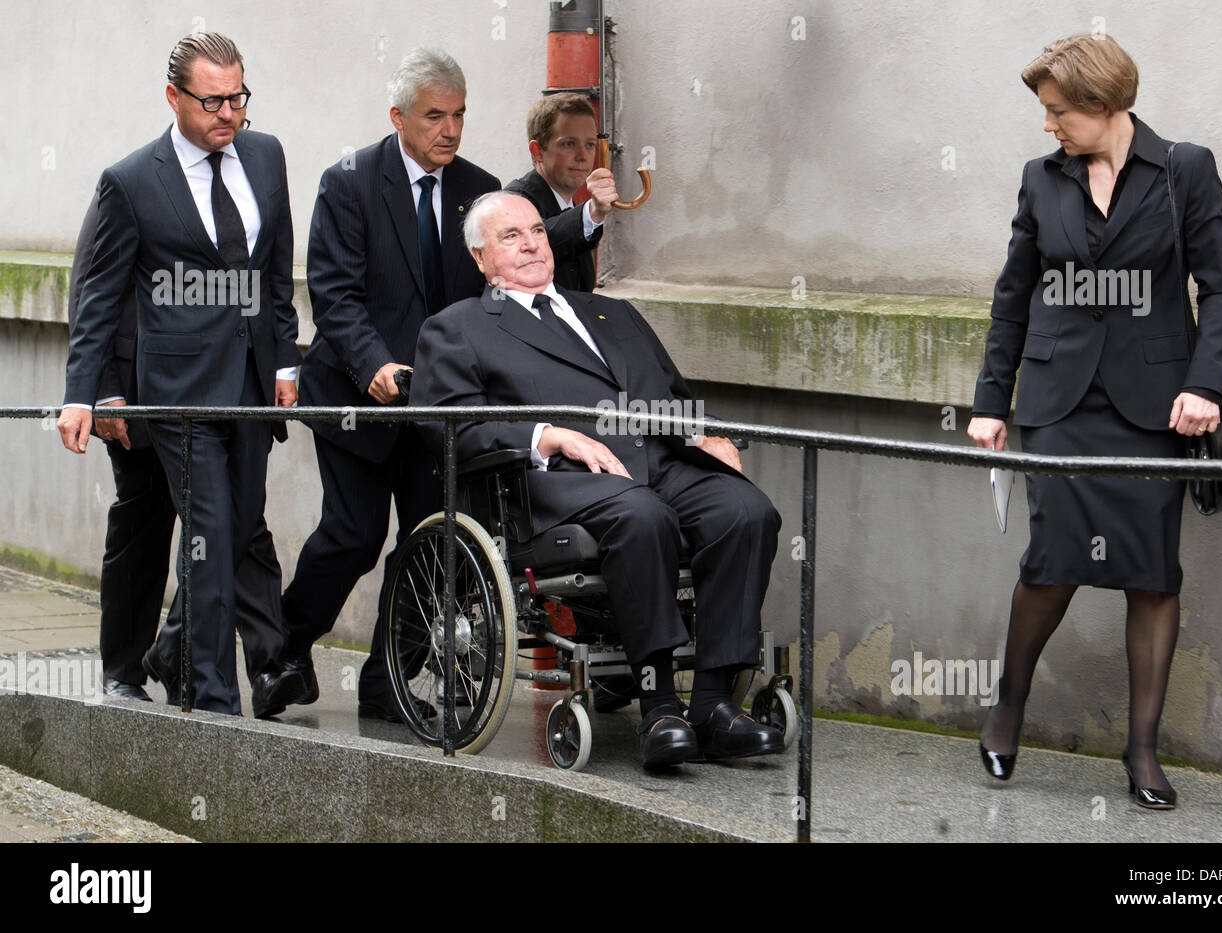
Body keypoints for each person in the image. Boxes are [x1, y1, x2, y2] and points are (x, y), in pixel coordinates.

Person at [410, 191, 785, 768]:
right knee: (641, 516)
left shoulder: (612, 313)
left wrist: (709, 433)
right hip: (557, 486)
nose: (532, 242)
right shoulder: (457, 328)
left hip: (659, 464)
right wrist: (546, 435)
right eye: (510, 236)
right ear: (482, 260)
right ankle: (660, 707)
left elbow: (674, 397)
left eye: (536, 229)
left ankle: (711, 706)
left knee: (745, 511)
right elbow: (450, 430)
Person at [967, 34, 1222, 809]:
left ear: (1102, 105)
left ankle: (1144, 750)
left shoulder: (1184, 169)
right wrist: (992, 401)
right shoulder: (1041, 178)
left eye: (1058, 113)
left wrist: (1204, 385)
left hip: (1154, 408)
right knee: (1051, 559)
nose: (1048, 126)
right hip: (1058, 404)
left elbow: (1221, 290)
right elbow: (1012, 294)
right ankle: (1008, 708)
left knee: (1153, 574)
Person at [58, 32, 304, 717]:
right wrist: (87, 392)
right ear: (174, 97)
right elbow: (98, 295)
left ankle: (172, 651)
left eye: (238, 98)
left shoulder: (265, 154)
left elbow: (274, 271)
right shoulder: (132, 180)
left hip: (252, 383)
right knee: (203, 527)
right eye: (213, 100)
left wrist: (286, 358)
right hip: (177, 392)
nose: (229, 113)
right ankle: (209, 697)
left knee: (235, 527)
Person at [279, 47, 500, 721]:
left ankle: (388, 681)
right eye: (436, 115)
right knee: (354, 532)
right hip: (356, 399)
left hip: (438, 406)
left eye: (460, 114)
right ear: (398, 116)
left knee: (434, 540)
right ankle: (283, 649)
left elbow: (507, 273)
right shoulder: (348, 182)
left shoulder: (480, 189)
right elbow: (335, 296)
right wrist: (373, 364)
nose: (451, 130)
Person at [504, 93, 618, 291]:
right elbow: (533, 248)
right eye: (568, 144)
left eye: (590, 144)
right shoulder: (514, 201)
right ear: (537, 151)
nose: (583, 156)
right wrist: (592, 213)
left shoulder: (569, 207)